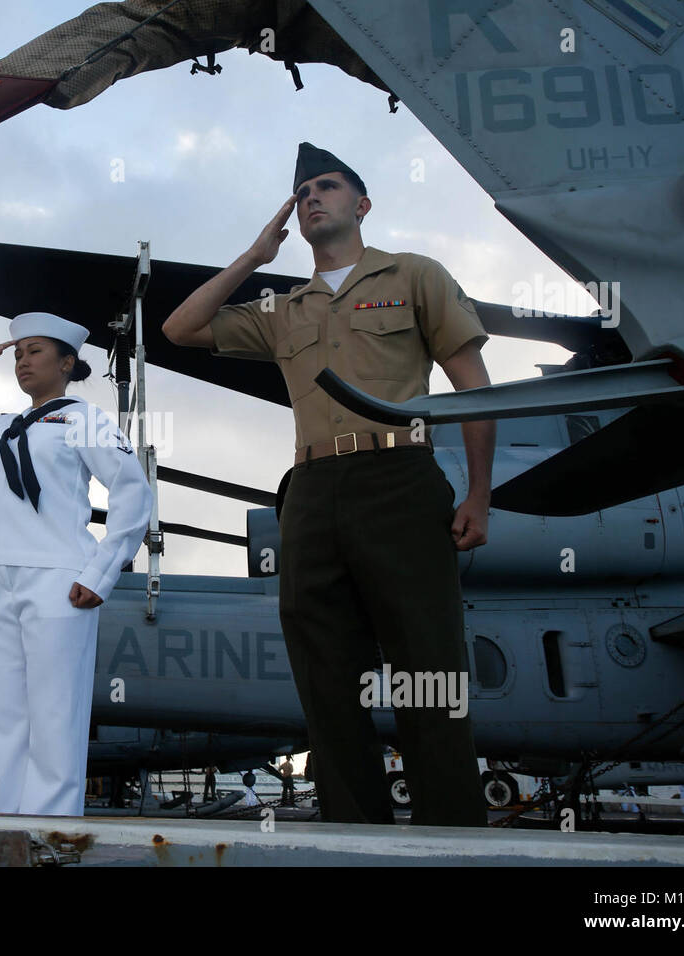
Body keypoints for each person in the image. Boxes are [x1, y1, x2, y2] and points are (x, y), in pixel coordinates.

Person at [163, 142, 494, 827]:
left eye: (328, 186)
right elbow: (180, 327)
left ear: (361, 204)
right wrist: (256, 255)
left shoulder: (415, 275)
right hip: (311, 491)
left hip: (400, 478)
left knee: (427, 666)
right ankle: (354, 835)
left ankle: (454, 836)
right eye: (303, 190)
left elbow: (473, 387)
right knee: (325, 675)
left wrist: (480, 493)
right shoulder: (284, 307)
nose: (313, 196)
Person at [0, 313, 153, 816]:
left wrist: (102, 571)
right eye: (19, 352)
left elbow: (134, 492)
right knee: (4, 717)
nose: (23, 360)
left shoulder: (82, 419)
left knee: (54, 714)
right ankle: (7, 826)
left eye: (36, 351)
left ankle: (50, 832)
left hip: (58, 577)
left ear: (67, 363)